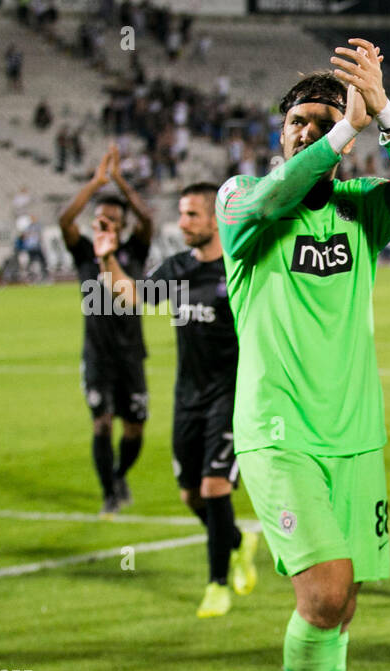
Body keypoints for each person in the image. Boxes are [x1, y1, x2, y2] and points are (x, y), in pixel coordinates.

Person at [216, 42, 390, 671]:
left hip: (353, 437)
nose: (310, 133)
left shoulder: (358, 211)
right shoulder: (244, 198)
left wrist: (383, 112)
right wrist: (342, 134)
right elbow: (279, 191)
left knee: (342, 608)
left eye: (324, 118)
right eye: (298, 124)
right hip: (277, 432)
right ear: (281, 134)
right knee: (321, 591)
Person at [92, 182, 260, 619]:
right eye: (181, 214)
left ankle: (217, 584)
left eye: (191, 215)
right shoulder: (178, 269)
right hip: (187, 398)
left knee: (213, 485)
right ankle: (239, 542)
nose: (181, 223)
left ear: (214, 218)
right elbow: (131, 295)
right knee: (190, 496)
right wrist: (107, 257)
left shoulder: (239, 269)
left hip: (231, 396)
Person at [59, 142, 155, 516]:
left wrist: (121, 182)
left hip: (131, 354)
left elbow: (147, 220)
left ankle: (118, 474)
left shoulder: (135, 250)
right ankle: (108, 493)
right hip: (96, 355)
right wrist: (94, 183)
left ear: (122, 225)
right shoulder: (84, 252)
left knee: (134, 429)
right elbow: (64, 221)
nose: (105, 224)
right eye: (100, 218)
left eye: (112, 220)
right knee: (101, 424)